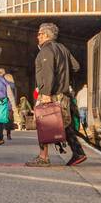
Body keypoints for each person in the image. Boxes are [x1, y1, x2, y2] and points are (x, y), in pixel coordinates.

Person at [28, 22, 86, 167]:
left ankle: (43, 157)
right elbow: (76, 67)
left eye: (40, 34)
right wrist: (64, 77)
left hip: (51, 93)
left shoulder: (46, 51)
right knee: (64, 124)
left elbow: (48, 73)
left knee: (44, 124)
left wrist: (46, 93)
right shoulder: (63, 48)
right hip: (64, 94)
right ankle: (78, 152)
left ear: (46, 35)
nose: (38, 36)